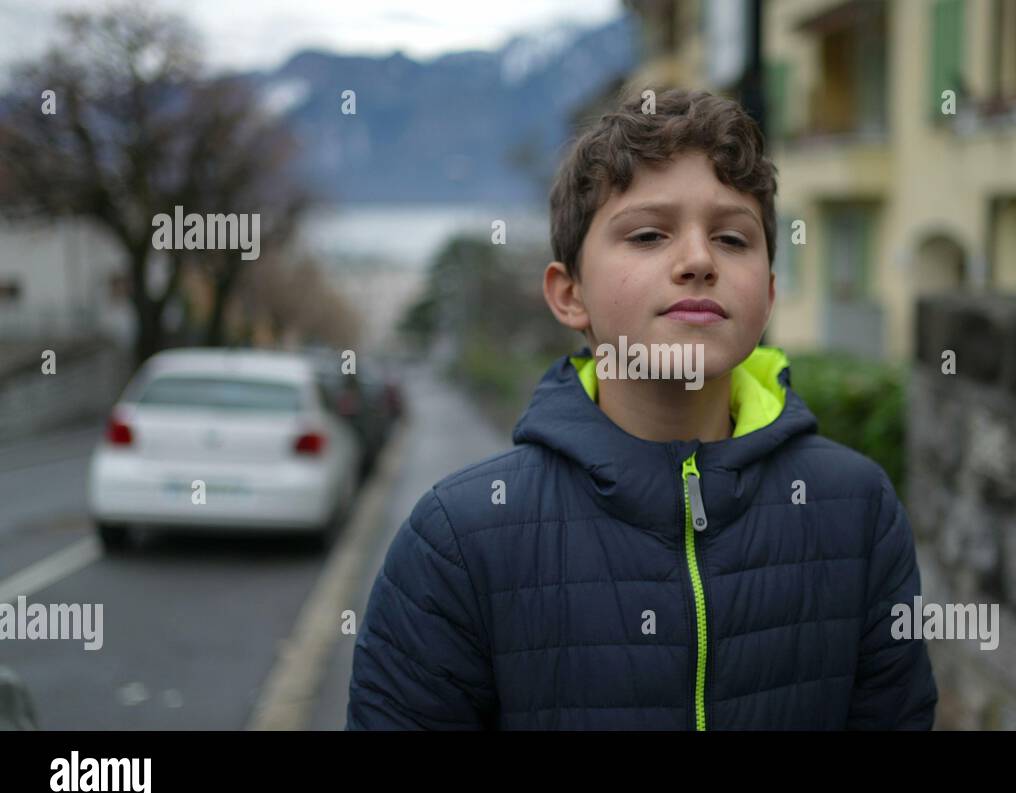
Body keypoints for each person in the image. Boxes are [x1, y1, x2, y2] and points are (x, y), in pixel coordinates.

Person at [346, 87, 937, 730]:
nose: (698, 261)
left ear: (768, 296)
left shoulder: (856, 508)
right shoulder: (458, 540)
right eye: (650, 234)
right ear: (569, 294)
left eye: (733, 239)